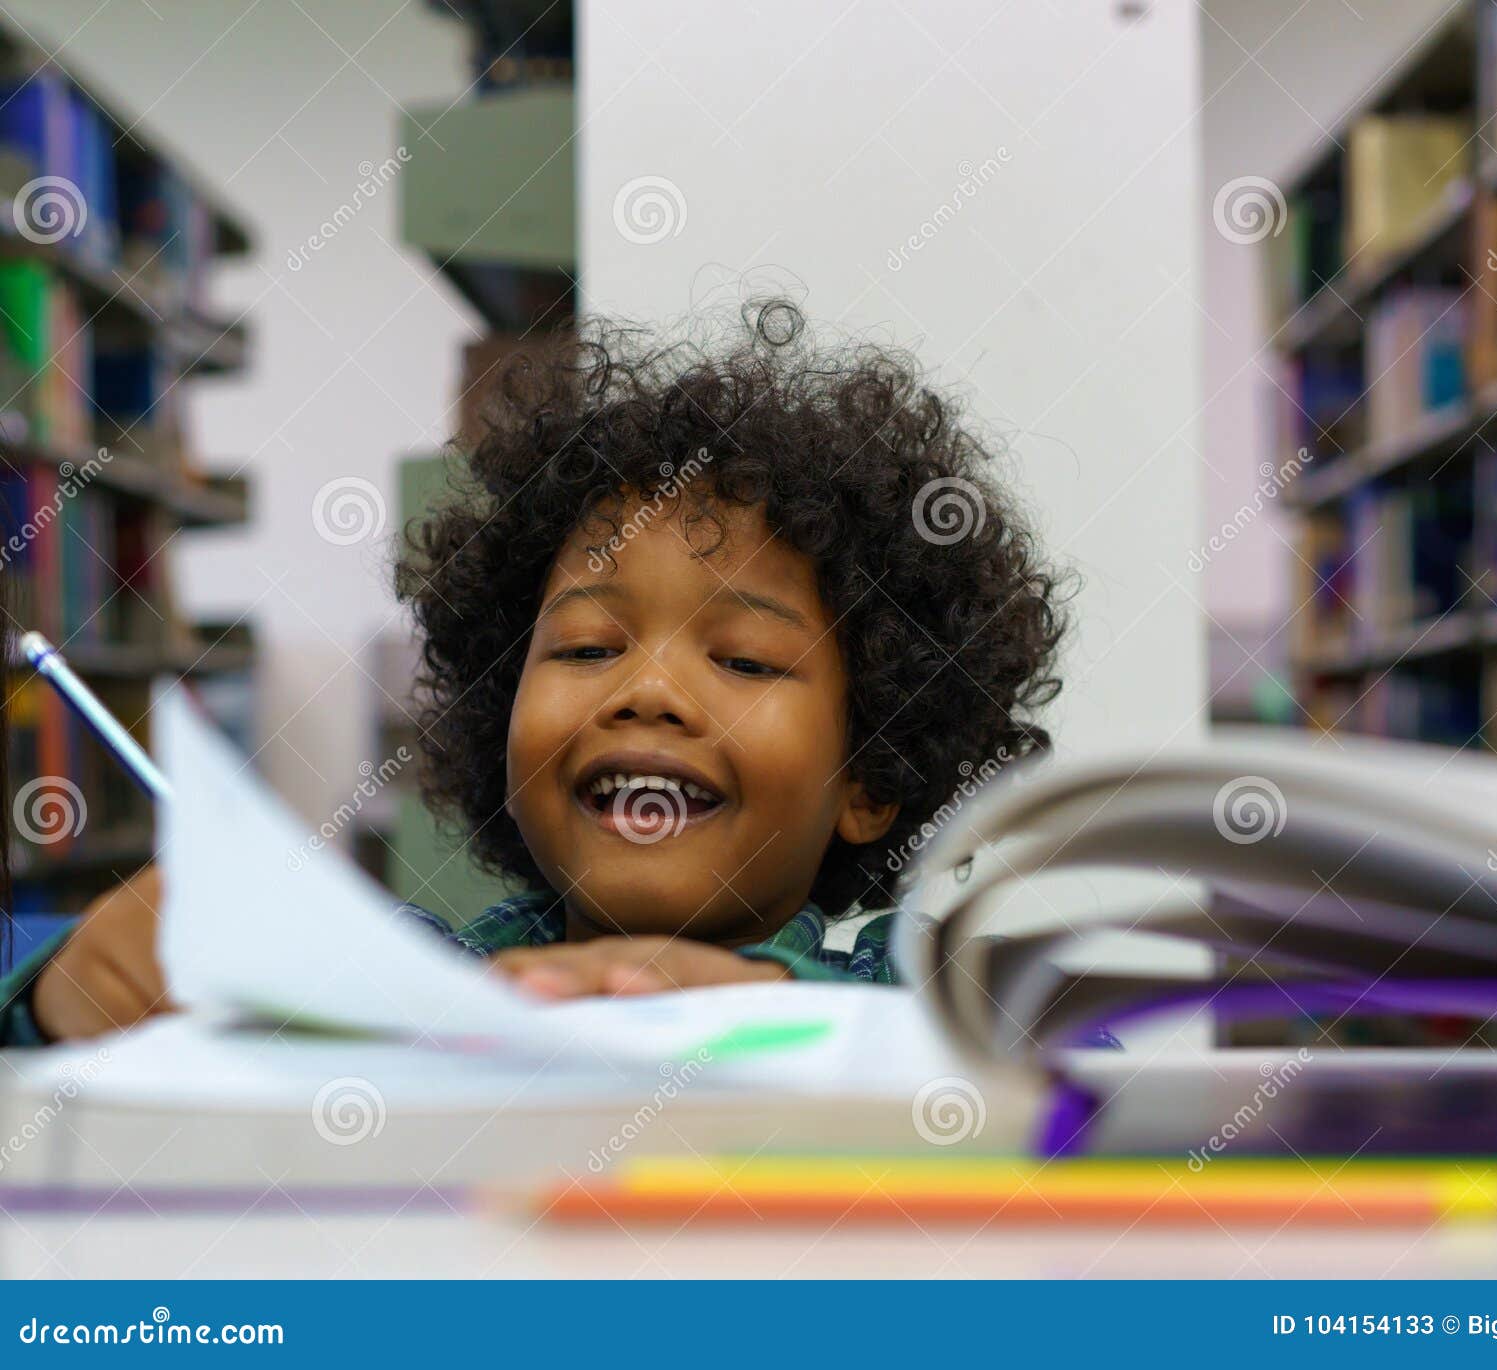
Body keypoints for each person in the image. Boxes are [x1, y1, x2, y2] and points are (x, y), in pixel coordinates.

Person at [0, 301, 1071, 1042]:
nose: (644, 690)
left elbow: (1019, 1060)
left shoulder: (908, 989)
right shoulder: (398, 979)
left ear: (870, 777)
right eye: (586, 647)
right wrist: (60, 999)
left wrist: (761, 1008)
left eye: (743, 657)